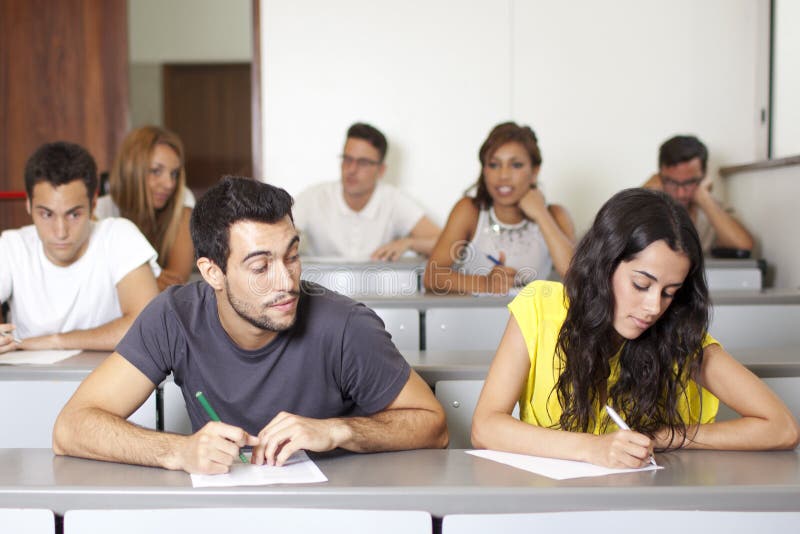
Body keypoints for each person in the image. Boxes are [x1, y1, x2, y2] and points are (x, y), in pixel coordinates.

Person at [53, 176, 448, 474]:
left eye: (292, 256)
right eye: (260, 266)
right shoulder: (173, 316)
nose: (286, 281)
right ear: (212, 273)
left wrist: (338, 431)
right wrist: (179, 451)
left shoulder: (346, 326)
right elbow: (71, 427)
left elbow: (433, 426)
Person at [471, 188, 798, 468]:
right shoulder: (540, 306)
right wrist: (592, 448)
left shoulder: (678, 335)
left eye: (670, 292)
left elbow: (781, 427)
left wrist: (666, 435)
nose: (654, 307)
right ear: (604, 265)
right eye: (641, 284)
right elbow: (485, 427)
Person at [0, 142, 160, 353]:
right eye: (47, 214)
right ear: (28, 204)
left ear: (93, 204)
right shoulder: (13, 246)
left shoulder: (118, 236)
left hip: (110, 382)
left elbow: (148, 326)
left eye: (74, 214)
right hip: (25, 381)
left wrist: (54, 341)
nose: (61, 231)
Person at [423, 122, 574, 295]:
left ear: (534, 172)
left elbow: (576, 276)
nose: (503, 176)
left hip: (533, 321)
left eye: (516, 165)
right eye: (494, 165)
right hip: (476, 318)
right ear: (484, 170)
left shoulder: (555, 215)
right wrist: (485, 283)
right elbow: (432, 277)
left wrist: (541, 215)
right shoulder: (469, 211)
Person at [293, 122, 441, 261]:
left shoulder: (393, 200)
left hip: (377, 286)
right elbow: (276, 238)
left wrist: (409, 243)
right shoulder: (314, 197)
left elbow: (446, 245)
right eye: (347, 159)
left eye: (363, 163)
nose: (351, 170)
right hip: (320, 286)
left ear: (381, 170)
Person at [96, 126, 195, 290]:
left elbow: (176, 285)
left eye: (174, 174)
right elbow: (98, 288)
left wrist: (131, 280)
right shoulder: (100, 211)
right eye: (156, 171)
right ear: (131, 170)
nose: (169, 184)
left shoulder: (182, 198)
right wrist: (153, 278)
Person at [643, 135, 753, 253]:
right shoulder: (649, 204)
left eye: (690, 182)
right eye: (671, 182)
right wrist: (645, 195)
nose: (681, 193)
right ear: (659, 177)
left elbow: (743, 246)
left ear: (704, 177)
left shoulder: (712, 210)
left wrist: (705, 199)